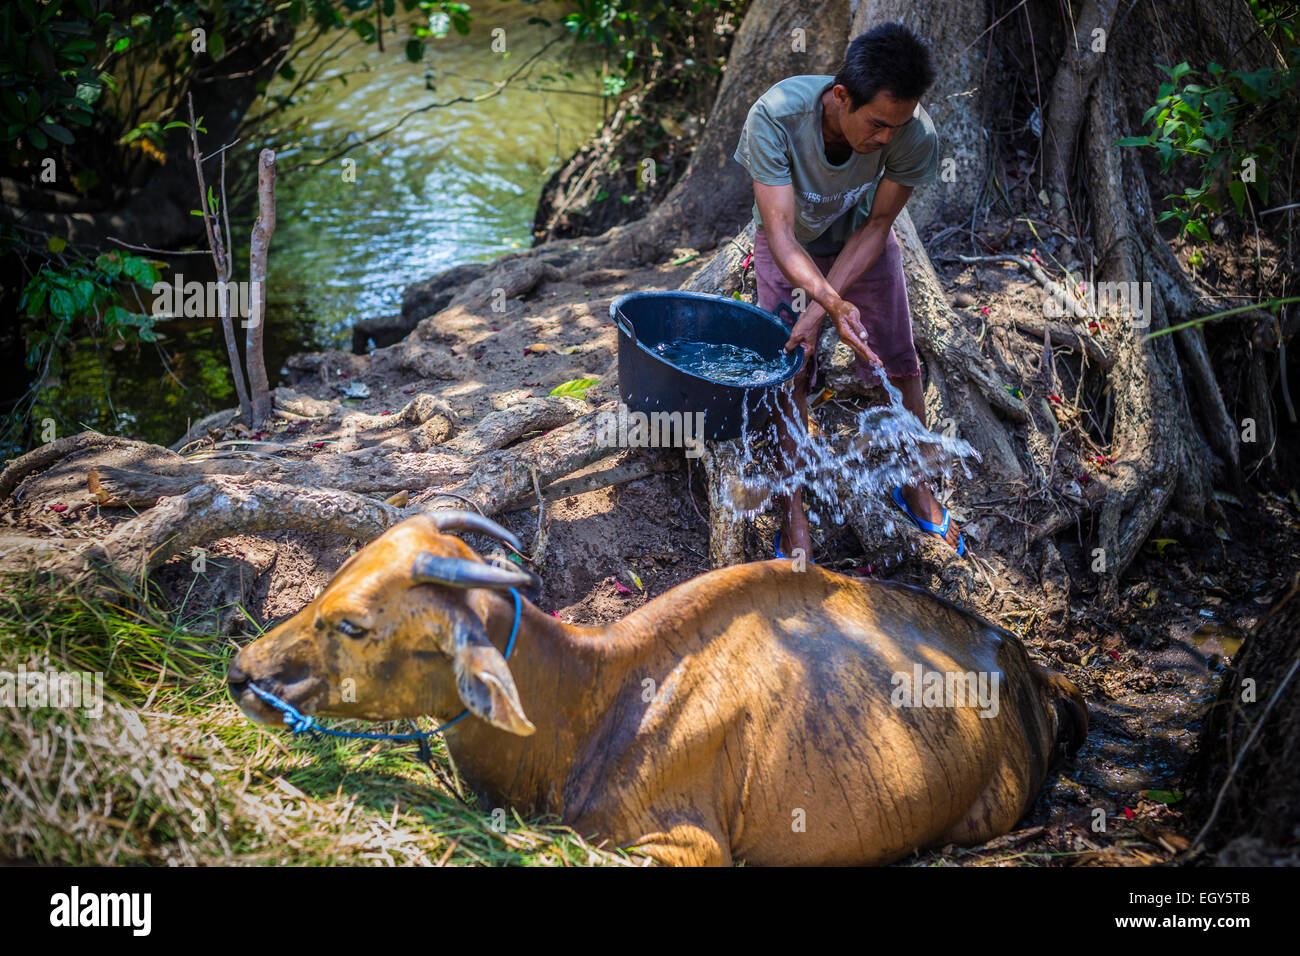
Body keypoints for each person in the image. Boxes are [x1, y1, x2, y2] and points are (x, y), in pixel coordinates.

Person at [732, 21, 964, 558]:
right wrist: (823, 306)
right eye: (878, 124)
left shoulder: (914, 134)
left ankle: (916, 482)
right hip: (789, 245)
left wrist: (822, 310)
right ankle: (794, 514)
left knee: (899, 358)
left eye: (897, 126)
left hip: (861, 242)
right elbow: (782, 235)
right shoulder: (776, 117)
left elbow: (879, 225)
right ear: (841, 96)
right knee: (788, 365)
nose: (886, 138)